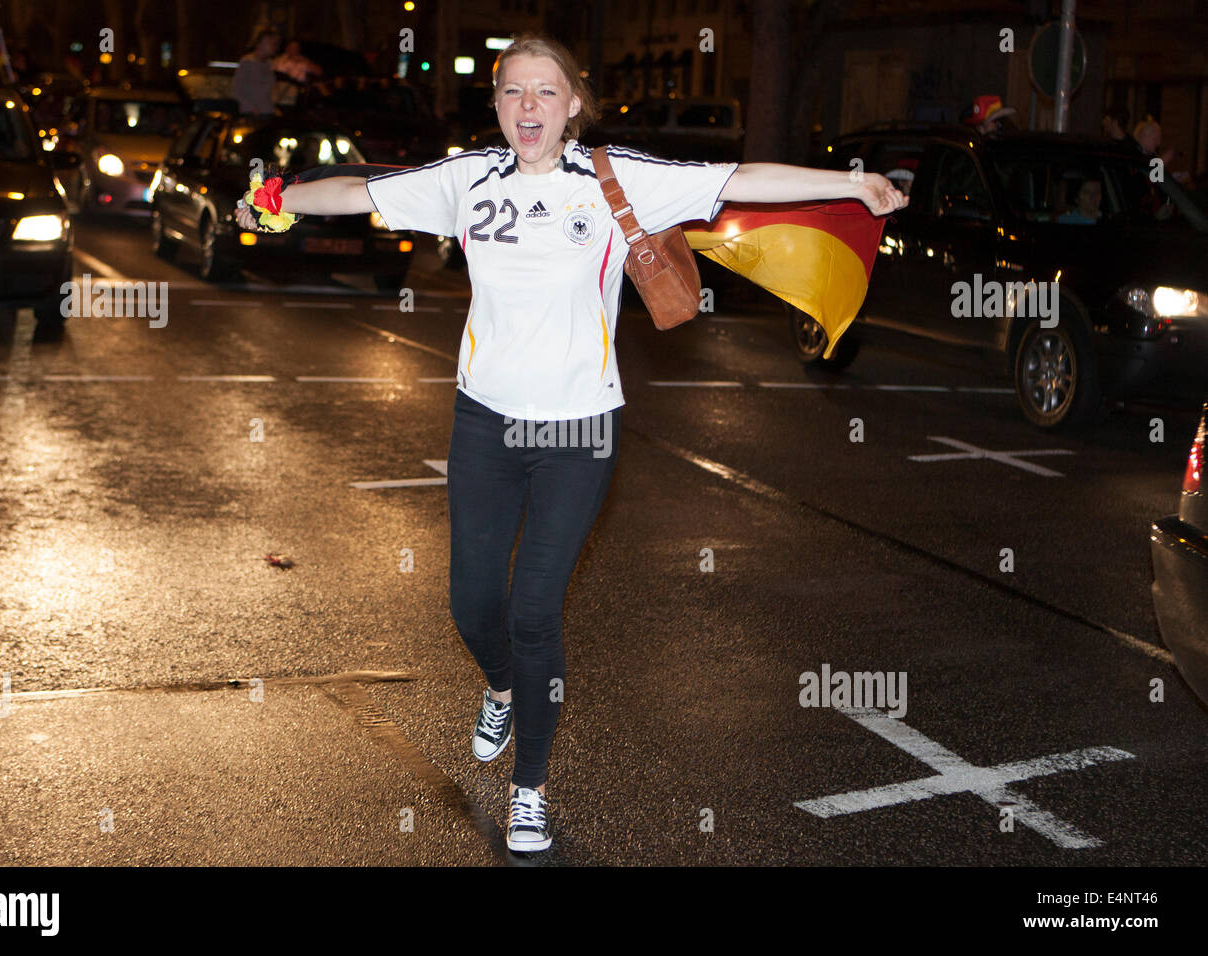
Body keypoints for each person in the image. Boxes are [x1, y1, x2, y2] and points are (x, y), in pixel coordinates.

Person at [236, 32, 906, 854]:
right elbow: (358, 191)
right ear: (496, 104)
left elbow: (743, 177)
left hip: (579, 429)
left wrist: (851, 182)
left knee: (534, 610)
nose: (528, 107)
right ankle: (501, 690)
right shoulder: (465, 178)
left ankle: (530, 790)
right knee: (471, 604)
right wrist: (276, 196)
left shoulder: (616, 177)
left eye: (545, 92)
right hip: (485, 422)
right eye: (513, 92)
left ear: (573, 105)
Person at [232, 29, 279, 116]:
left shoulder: (269, 64)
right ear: (263, 43)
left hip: (268, 112)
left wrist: (274, 105)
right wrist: (251, 108)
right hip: (252, 114)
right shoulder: (247, 62)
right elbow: (236, 90)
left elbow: (271, 90)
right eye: (273, 44)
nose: (275, 47)